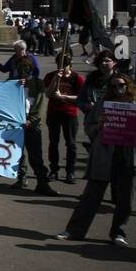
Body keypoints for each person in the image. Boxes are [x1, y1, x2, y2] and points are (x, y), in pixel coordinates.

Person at [56, 74, 136, 247]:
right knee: (91, 196)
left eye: (121, 85)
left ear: (128, 86)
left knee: (125, 200)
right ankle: (74, 230)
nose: (118, 89)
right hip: (104, 157)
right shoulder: (102, 106)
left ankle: (118, 233)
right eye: (113, 86)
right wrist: (99, 126)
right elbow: (88, 128)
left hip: (130, 159)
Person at [16, 72, 58, 195]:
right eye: (21, 69)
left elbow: (41, 103)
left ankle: (42, 183)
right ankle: (21, 178)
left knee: (35, 156)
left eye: (27, 69)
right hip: (17, 125)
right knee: (18, 154)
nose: (24, 72)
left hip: (32, 125)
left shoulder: (37, 83)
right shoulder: (14, 82)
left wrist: (31, 120)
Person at [44, 54, 82, 184]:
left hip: (69, 113)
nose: (62, 66)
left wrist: (64, 97)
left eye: (65, 63)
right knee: (53, 142)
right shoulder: (50, 76)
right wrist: (55, 79)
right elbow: (48, 94)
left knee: (70, 143)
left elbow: (81, 98)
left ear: (70, 64)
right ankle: (53, 170)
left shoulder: (77, 78)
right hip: (53, 112)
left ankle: (70, 172)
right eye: (59, 63)